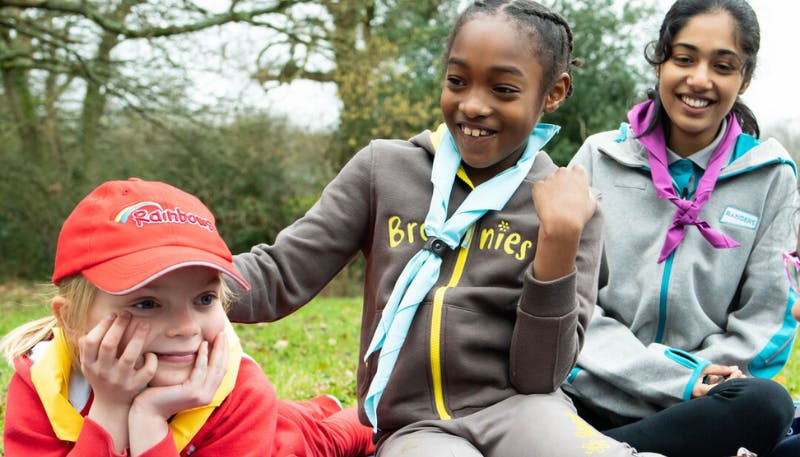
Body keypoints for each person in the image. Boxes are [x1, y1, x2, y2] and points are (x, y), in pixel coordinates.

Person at [227, 1, 665, 456]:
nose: (473, 105)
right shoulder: (383, 170)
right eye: (457, 81)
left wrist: (558, 242)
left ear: (553, 92)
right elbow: (280, 273)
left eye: (503, 89)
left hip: (523, 414)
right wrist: (185, 280)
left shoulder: (570, 208)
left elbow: (538, 377)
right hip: (417, 427)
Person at [565, 1, 798, 456]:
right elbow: (566, 303)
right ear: (660, 63)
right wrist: (673, 378)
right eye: (684, 59)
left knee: (768, 404)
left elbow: (768, 320)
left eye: (723, 65)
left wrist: (700, 380)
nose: (699, 80)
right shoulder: (598, 158)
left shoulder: (772, 177)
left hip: (708, 405)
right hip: (591, 390)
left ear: (744, 79)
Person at [0, 178, 375, 457]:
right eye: (146, 303)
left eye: (204, 298)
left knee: (343, 434)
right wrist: (112, 408)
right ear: (69, 320)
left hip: (277, 442)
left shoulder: (241, 392)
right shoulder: (43, 385)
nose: (186, 327)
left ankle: (341, 411)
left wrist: (148, 415)